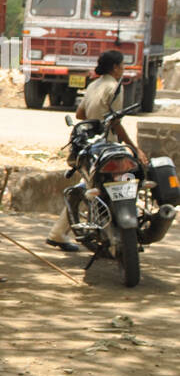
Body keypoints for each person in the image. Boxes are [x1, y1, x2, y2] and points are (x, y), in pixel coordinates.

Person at [46, 50, 151, 252]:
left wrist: (95, 117)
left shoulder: (94, 85)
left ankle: (58, 233)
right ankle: (113, 236)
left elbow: (80, 114)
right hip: (108, 145)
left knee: (89, 185)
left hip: (90, 146)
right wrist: (135, 148)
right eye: (122, 66)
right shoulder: (114, 87)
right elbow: (116, 122)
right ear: (114, 68)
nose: (123, 69)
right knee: (118, 185)